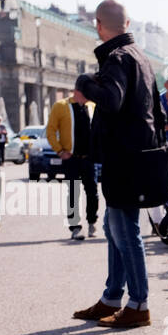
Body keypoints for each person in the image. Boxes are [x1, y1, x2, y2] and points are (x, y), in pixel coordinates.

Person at [70, 0, 162, 330]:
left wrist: (84, 83)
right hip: (137, 158)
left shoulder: (118, 58)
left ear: (98, 25)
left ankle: (138, 304)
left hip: (125, 160)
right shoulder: (140, 58)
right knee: (114, 228)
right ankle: (112, 297)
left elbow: (111, 99)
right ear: (127, 23)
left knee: (126, 231)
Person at [46, 95, 100, 239]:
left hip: (89, 158)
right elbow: (50, 131)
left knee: (93, 191)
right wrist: (59, 150)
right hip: (71, 158)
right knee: (73, 192)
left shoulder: (92, 106)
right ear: (78, 90)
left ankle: (92, 222)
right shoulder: (61, 106)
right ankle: (75, 227)